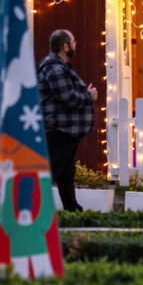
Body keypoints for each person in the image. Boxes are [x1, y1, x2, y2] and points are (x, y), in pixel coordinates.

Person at [39, 29, 97, 213]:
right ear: (65, 46)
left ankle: (71, 208)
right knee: (54, 170)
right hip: (58, 129)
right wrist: (88, 96)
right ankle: (34, 209)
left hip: (65, 129)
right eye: (73, 42)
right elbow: (68, 97)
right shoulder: (55, 69)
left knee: (66, 172)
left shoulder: (60, 67)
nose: (75, 45)